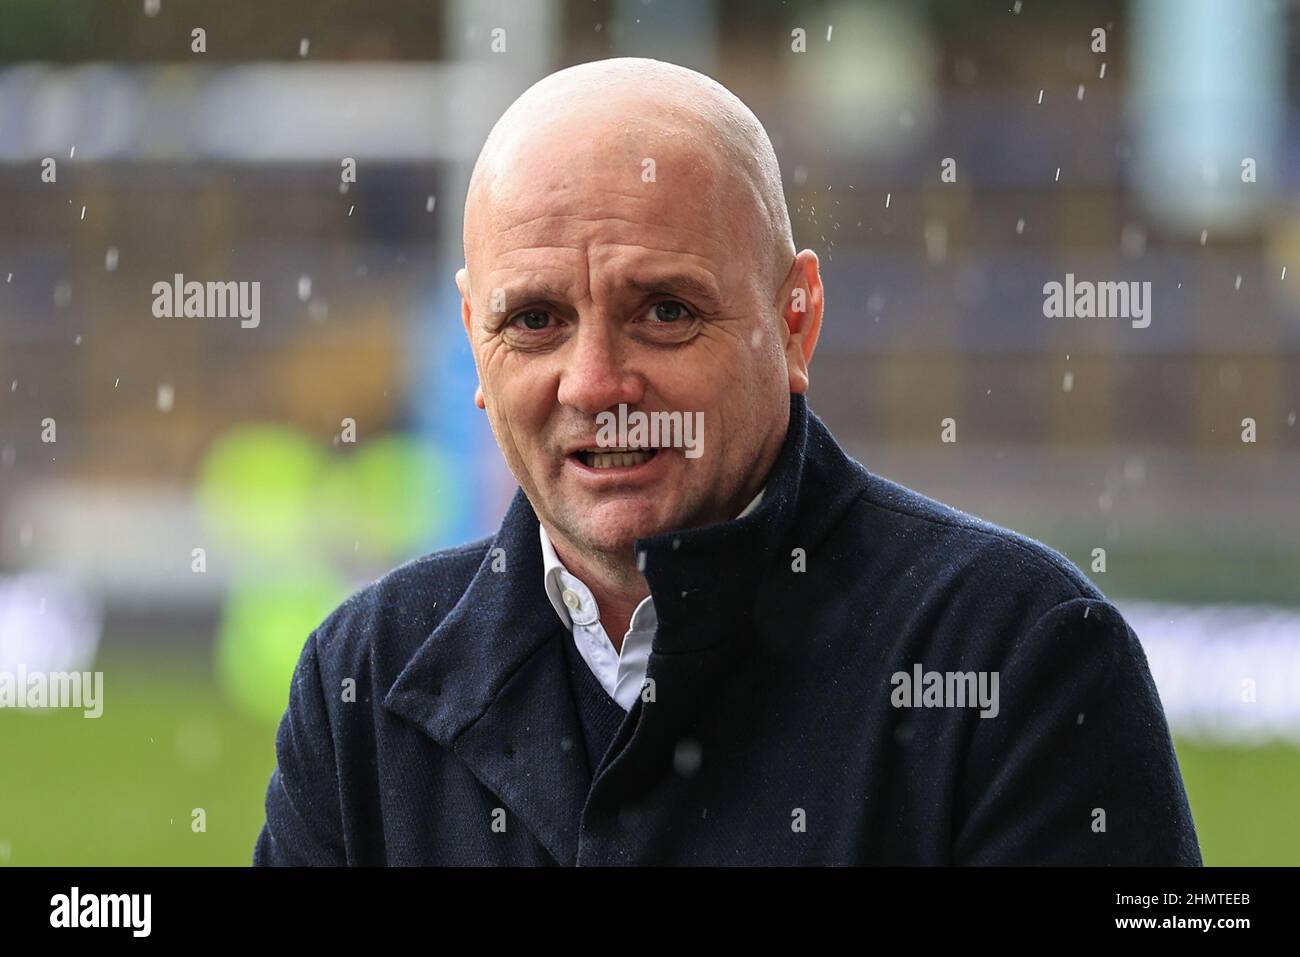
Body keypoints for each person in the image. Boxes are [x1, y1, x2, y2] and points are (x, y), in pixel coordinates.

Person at [254, 57, 1201, 866]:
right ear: (473, 339)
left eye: (665, 312)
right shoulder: (361, 680)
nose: (596, 383)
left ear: (797, 322)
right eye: (535, 320)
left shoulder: (1020, 653)